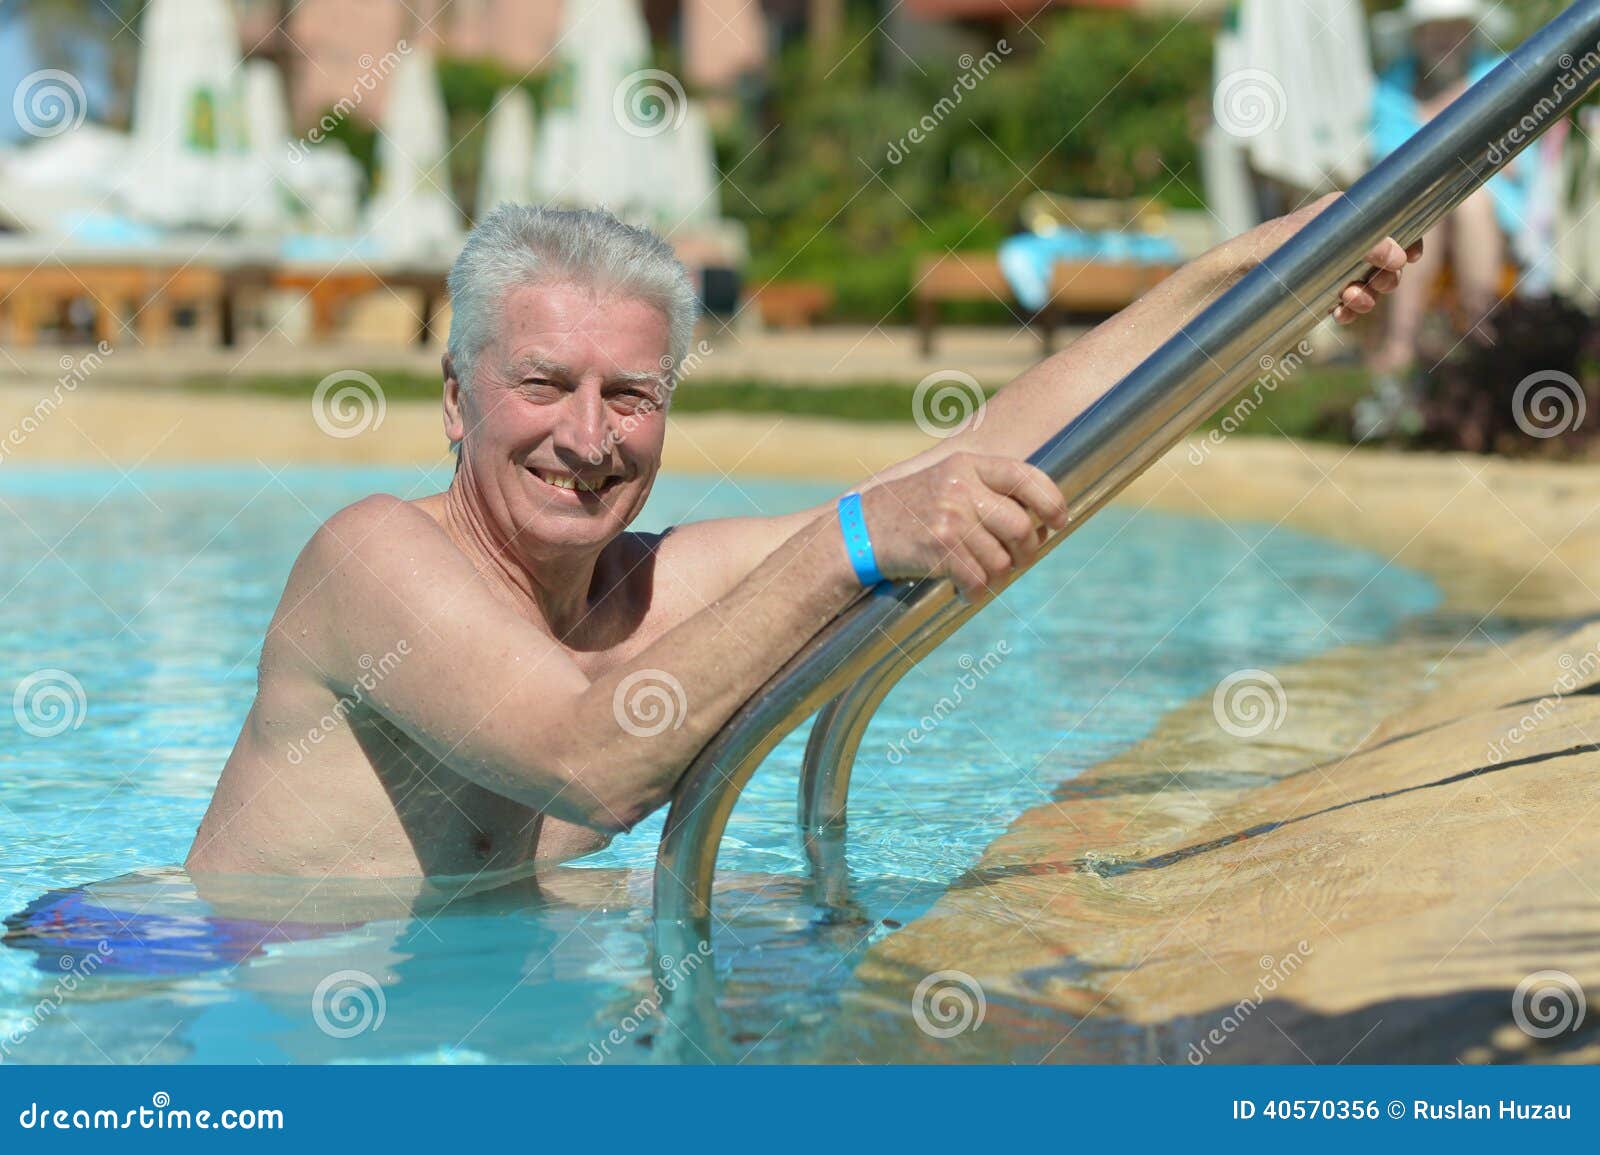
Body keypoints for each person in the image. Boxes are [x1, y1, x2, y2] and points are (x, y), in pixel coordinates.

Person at [183, 198, 1417, 881]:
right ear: (456, 398)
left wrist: (1238, 290)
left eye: (632, 396)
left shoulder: (641, 591)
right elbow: (588, 758)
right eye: (543, 385)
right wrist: (848, 546)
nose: (587, 435)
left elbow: (959, 467)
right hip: (187, 989)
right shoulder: (373, 560)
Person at [1368, 0, 1525, 380]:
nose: (1443, 37)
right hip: (1419, 208)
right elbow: (1388, 166)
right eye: (1433, 27)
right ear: (1416, 35)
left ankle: (1481, 335)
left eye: (1454, 26)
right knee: (1428, 209)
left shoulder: (1497, 75)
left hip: (1493, 207)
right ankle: (1402, 344)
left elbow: (1513, 164)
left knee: (1469, 202)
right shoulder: (1392, 85)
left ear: (1470, 32)